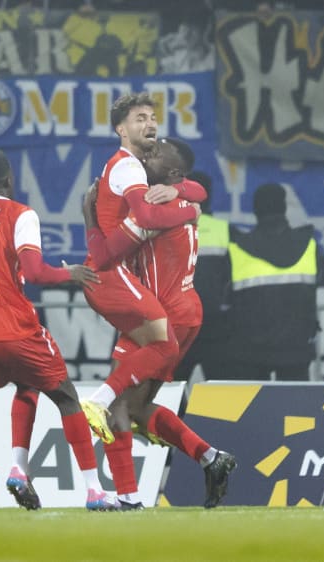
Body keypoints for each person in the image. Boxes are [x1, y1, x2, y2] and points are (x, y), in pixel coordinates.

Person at [0, 150, 117, 511]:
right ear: (10, 179)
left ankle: (18, 469)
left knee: (27, 386)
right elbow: (38, 272)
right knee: (66, 397)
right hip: (13, 328)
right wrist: (71, 274)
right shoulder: (21, 215)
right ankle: (95, 491)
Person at [84, 138, 237, 509]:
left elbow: (108, 249)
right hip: (175, 310)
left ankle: (129, 498)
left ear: (171, 172)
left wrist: (92, 211)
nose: (146, 155)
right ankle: (210, 458)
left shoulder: (158, 202)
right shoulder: (173, 195)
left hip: (160, 315)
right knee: (137, 408)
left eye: (154, 155)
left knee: (119, 406)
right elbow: (195, 191)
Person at [79, 92, 200, 444]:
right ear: (120, 129)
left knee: (134, 404)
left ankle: (205, 460)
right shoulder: (131, 169)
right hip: (117, 279)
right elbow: (145, 217)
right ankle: (98, 403)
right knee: (158, 357)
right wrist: (191, 209)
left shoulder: (141, 173)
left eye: (152, 118)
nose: (150, 125)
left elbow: (193, 187)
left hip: (118, 275)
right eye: (139, 119)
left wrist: (183, 192)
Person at [225, 183, 319, 381]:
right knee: (297, 410)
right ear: (284, 208)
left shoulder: (238, 247)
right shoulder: (308, 243)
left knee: (254, 410)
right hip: (297, 345)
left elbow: (226, 297)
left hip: (250, 349)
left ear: (256, 211)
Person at [174, 171, 233, 382]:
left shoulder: (168, 228)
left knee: (172, 386)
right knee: (218, 389)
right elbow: (233, 278)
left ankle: (169, 416)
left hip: (180, 321)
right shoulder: (225, 231)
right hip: (214, 324)